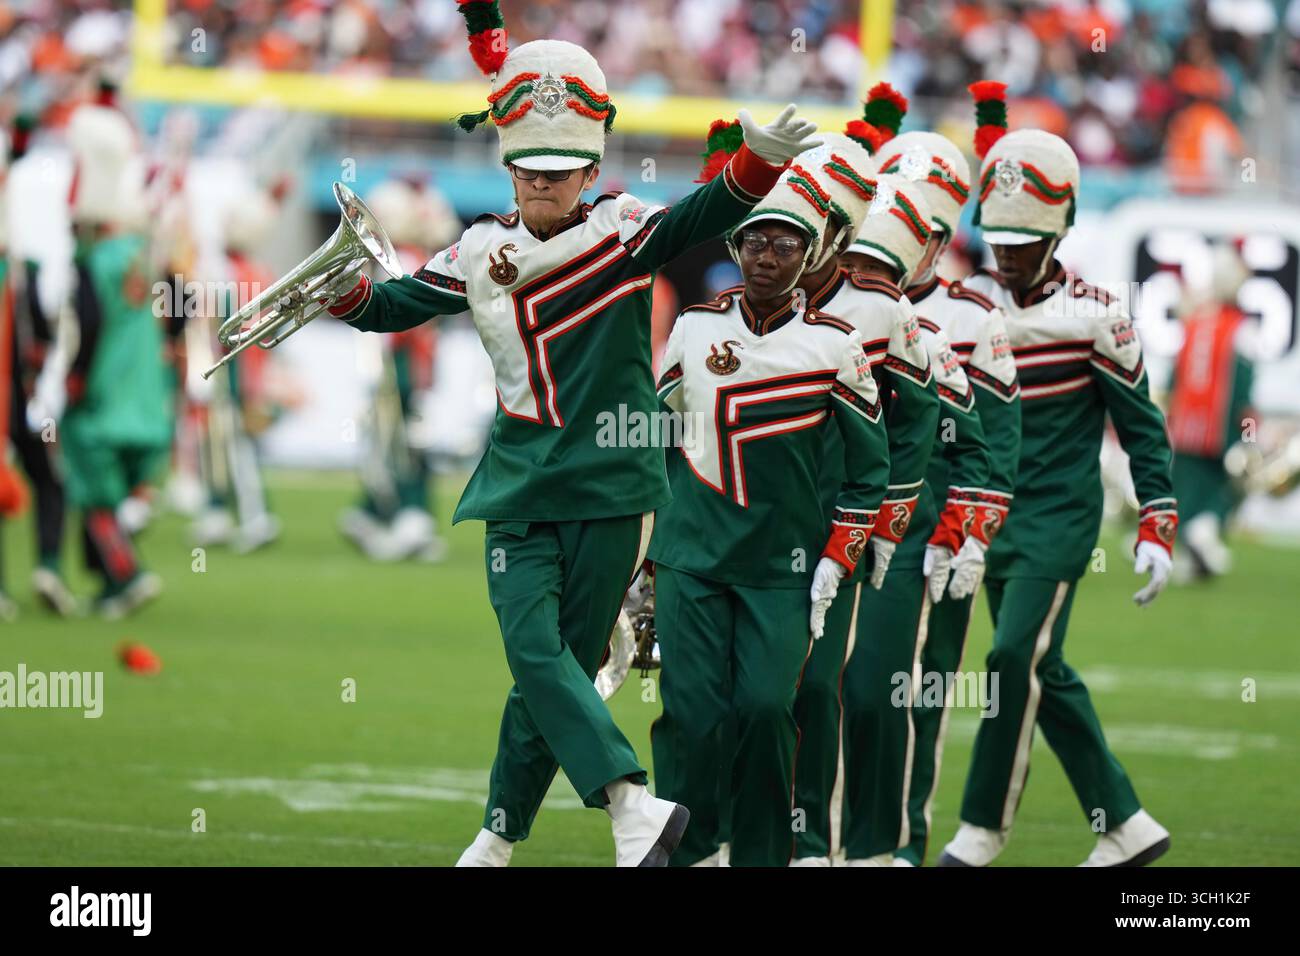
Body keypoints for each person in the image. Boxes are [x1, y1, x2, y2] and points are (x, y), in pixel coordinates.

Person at [318, 9, 819, 866]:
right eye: (528, 172)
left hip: (614, 492)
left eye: (559, 173)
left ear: (589, 168)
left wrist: (757, 161)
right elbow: (394, 305)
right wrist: (337, 291)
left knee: (556, 673)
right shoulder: (478, 250)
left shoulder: (623, 230)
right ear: (508, 167)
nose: (542, 186)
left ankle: (495, 837)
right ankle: (630, 804)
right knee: (535, 650)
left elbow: (705, 213)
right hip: (518, 489)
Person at [936, 82, 1177, 867]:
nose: (1007, 253)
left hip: (1060, 519)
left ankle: (981, 829)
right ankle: (1128, 825)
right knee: (1046, 667)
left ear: (1061, 232)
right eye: (997, 236)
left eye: (1024, 239)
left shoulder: (1099, 315)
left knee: (1010, 661)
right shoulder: (968, 303)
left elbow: (1142, 425)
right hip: (985, 519)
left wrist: (1158, 521)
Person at [648, 161, 890, 867]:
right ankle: (688, 850)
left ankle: (761, 854)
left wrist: (838, 557)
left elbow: (869, 468)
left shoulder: (836, 345)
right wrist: (640, 558)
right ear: (734, 248)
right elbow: (654, 440)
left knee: (763, 709)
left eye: (786, 243)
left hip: (781, 567)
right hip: (689, 555)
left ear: (811, 254)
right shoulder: (692, 328)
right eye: (755, 240)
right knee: (691, 713)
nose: (767, 255)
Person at [865, 126, 1022, 866]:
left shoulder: (973, 317)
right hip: (843, 527)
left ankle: (903, 844)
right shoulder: (843, 301)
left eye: (925, 229)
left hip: (933, 540)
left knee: (915, 698)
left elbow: (994, 448)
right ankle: (817, 839)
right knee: (829, 697)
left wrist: (971, 533)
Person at [61, 102, 170, 619]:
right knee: (114, 491)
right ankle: (108, 582)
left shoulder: (95, 260)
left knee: (94, 491)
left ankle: (125, 574)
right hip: (147, 397)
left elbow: (86, 322)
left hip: (104, 395)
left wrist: (75, 377)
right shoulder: (143, 254)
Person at [1, 118, 76, 619]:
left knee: (47, 476)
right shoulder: (20, 272)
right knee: (47, 476)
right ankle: (46, 564)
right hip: (20, 396)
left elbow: (42, 338)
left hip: (19, 396)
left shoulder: (20, 272)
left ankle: (44, 567)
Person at [1166, 241, 1255, 579]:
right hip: (1222, 427)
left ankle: (1187, 547)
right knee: (1224, 484)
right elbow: (1244, 386)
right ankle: (1202, 537)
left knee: (1185, 486)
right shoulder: (1239, 328)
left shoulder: (1193, 323)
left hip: (1186, 425)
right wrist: (1249, 430)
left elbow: (1176, 378)